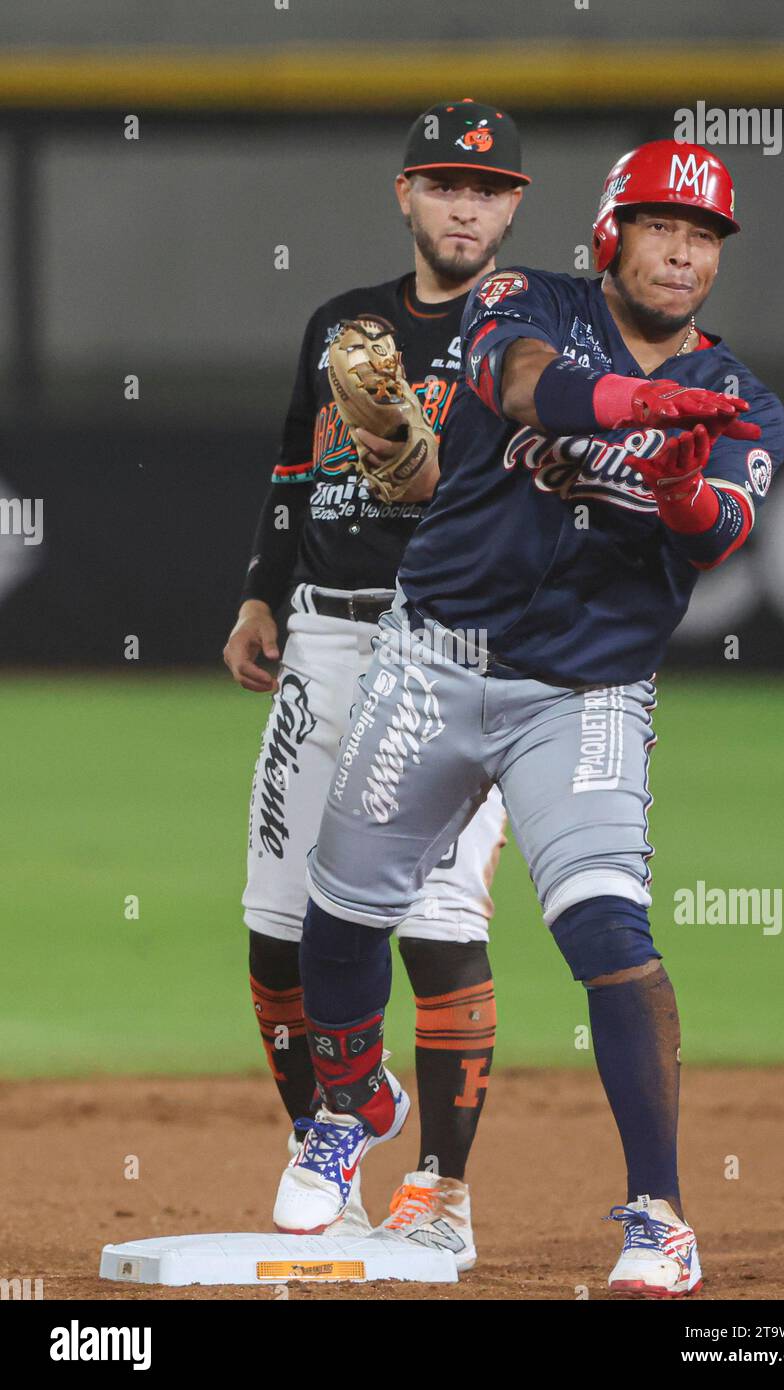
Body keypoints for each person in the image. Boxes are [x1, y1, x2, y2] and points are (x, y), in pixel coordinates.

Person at [279, 139, 784, 1297]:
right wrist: (629, 404)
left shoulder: (743, 398)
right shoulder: (529, 298)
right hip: (434, 654)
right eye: (661, 225)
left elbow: (717, 531)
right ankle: (354, 1098)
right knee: (343, 910)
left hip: (585, 690)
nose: (682, 251)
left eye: (703, 235)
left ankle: (657, 1213)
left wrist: (673, 482)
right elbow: (517, 384)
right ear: (610, 232)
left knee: (608, 933)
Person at [223, 99, 529, 1270]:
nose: (464, 203)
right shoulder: (339, 320)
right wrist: (262, 593)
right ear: (403, 194)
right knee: (273, 935)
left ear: (512, 207)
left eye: (486, 187)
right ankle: (330, 1153)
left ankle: (441, 1191)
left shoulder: (534, 322)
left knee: (435, 925)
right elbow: (293, 468)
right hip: (324, 641)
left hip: (456, 650)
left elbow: (542, 474)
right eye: (443, 183)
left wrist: (428, 469)